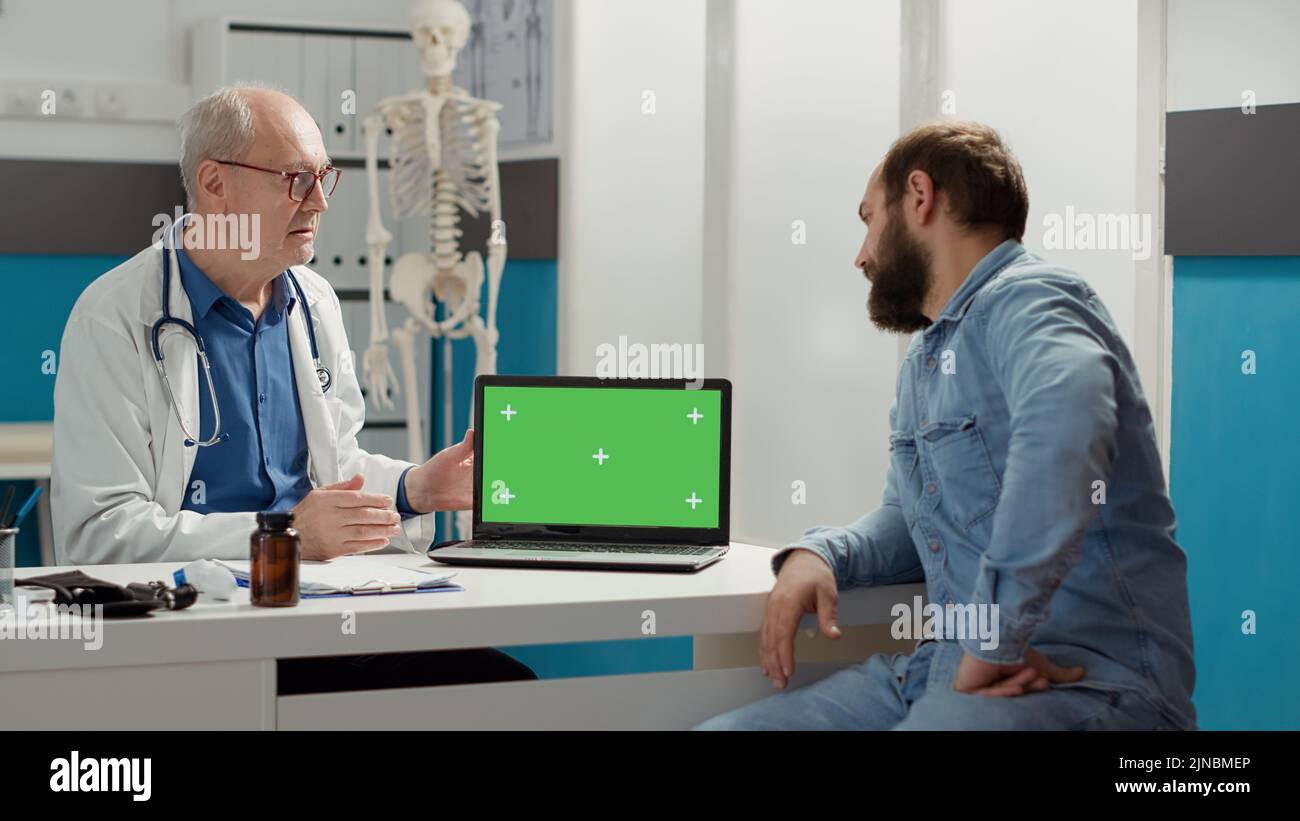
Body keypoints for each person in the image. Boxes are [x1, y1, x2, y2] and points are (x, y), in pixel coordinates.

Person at [695, 121, 1195, 730]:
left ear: (919, 196)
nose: (861, 255)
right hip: (939, 671)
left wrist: (994, 638)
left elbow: (1069, 425)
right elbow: (911, 521)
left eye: (867, 218)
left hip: (1093, 687)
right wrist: (821, 556)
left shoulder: (1032, 297)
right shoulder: (926, 360)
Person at [51, 84, 533, 688]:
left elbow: (335, 465)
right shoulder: (116, 316)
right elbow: (101, 533)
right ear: (214, 183)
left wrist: (415, 489)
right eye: (294, 179)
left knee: (497, 686)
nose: (319, 204)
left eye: (323, 178)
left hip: (318, 612)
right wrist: (282, 535)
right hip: (194, 631)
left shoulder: (313, 302)